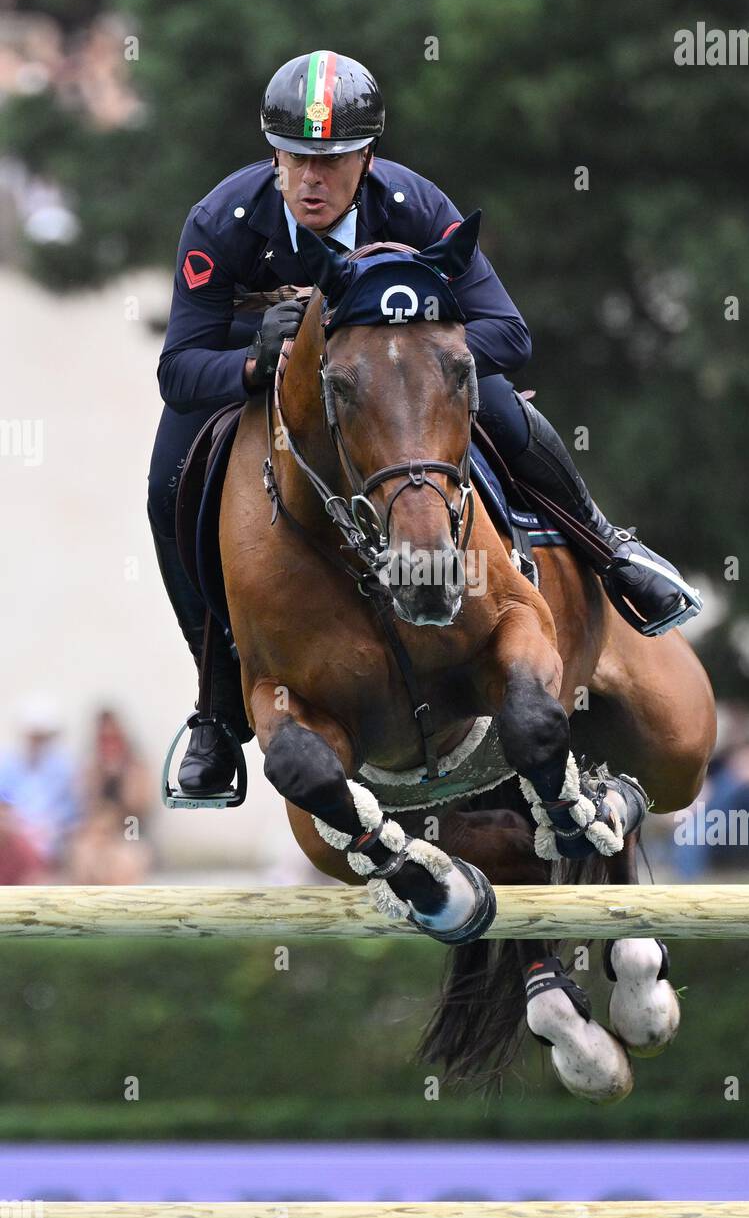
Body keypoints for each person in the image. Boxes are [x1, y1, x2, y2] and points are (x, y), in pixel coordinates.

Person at [148, 50, 700, 796]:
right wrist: (258, 361)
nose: (313, 179)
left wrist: (413, 354)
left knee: (497, 402)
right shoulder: (223, 222)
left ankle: (609, 548)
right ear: (273, 152)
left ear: (366, 157)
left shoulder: (411, 207)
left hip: (396, 388)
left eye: (334, 160)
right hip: (257, 393)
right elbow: (178, 371)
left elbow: (510, 333)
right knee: (166, 484)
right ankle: (217, 705)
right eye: (297, 158)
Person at [0, 693, 80, 864]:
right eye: (34, 736)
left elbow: (71, 811)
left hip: (56, 842)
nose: (38, 742)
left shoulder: (64, 767)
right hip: (13, 840)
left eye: (43, 737)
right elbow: (4, 801)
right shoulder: (7, 764)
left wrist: (52, 827)